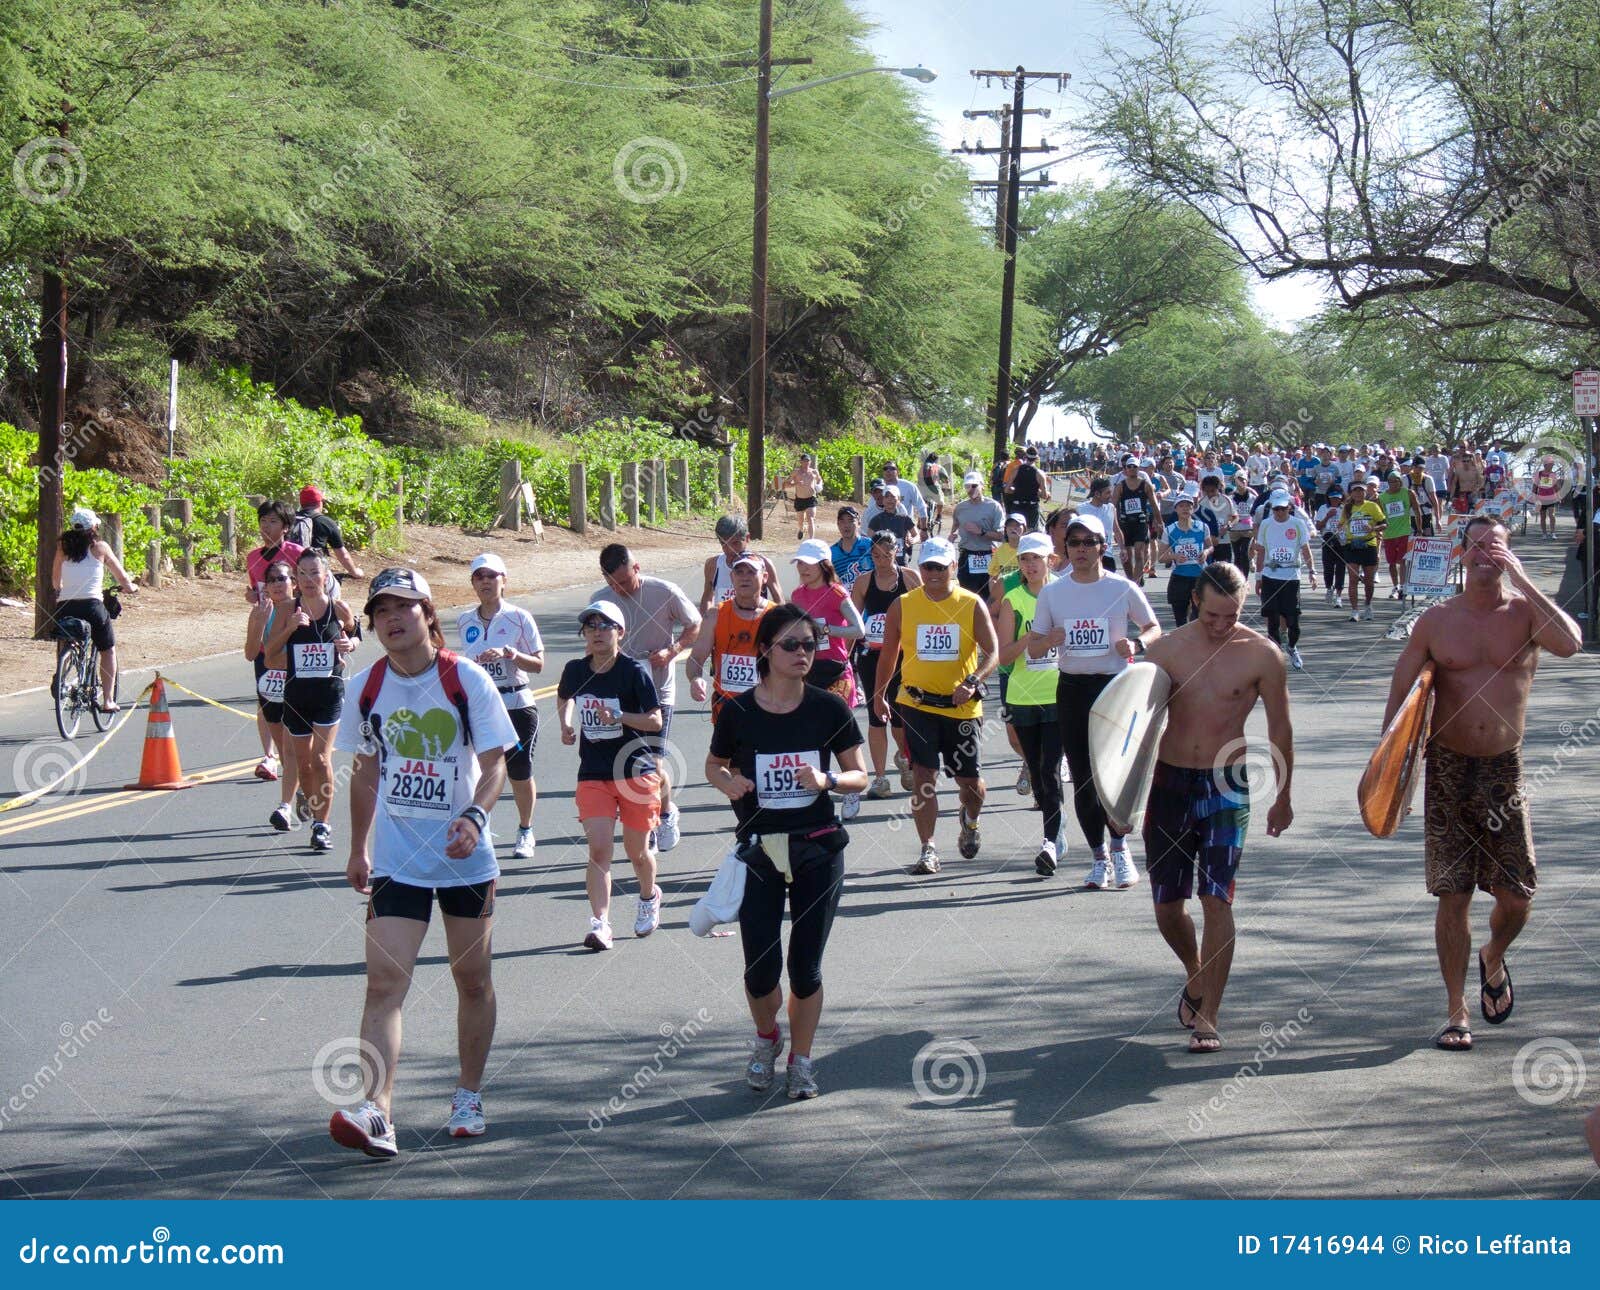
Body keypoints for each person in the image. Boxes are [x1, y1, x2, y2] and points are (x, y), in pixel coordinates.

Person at [327, 567, 518, 1157]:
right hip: (396, 861)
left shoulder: (467, 681)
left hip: (465, 859)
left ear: (427, 614)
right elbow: (363, 769)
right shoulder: (366, 686)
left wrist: (475, 817)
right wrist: (358, 846)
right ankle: (377, 1110)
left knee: (473, 980)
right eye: (380, 610)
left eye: (403, 608)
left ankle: (468, 1093)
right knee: (384, 984)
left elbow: (495, 764)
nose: (391, 619)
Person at [1383, 516, 1582, 1051]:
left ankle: (1492, 955)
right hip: (1447, 768)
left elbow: (1571, 643)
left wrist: (1524, 579)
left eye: (1495, 547)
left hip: (1503, 769)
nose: (1484, 556)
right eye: (1475, 547)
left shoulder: (1525, 615)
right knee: (1453, 894)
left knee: (1517, 897)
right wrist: (1388, 775)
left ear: (1508, 554)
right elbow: (1400, 699)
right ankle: (1456, 1010)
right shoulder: (1436, 621)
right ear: (1460, 553)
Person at [705, 603, 869, 1101]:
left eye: (810, 645)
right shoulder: (737, 711)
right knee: (759, 970)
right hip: (759, 849)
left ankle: (801, 1060)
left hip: (817, 846)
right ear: (765, 652)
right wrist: (728, 782)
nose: (803, 653)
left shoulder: (828, 707)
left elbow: (861, 775)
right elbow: (714, 765)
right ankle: (766, 1039)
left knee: (805, 967)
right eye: (791, 645)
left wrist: (829, 780)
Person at [1139, 564, 1295, 1054]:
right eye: (1211, 614)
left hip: (1227, 784)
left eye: (1231, 615)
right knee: (1167, 906)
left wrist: (1284, 796)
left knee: (1216, 898)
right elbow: (1127, 729)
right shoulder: (1164, 652)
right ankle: (1196, 971)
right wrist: (1115, 798)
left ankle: (1210, 1016)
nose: (1221, 624)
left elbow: (1280, 728)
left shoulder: (1262, 656)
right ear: (1195, 604)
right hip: (1170, 780)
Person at [1026, 513, 1161, 890]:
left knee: (1113, 775)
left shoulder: (1121, 588)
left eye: (1089, 542)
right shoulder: (1053, 593)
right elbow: (1033, 645)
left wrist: (1136, 644)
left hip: (1115, 689)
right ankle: (1098, 856)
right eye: (1074, 542)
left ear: (1103, 546)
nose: (1081, 549)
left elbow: (1153, 628)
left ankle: (1120, 848)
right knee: (1084, 779)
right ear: (1064, 548)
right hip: (1072, 689)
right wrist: (1048, 641)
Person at [873, 538, 999, 874]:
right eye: (928, 566)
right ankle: (928, 848)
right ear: (920, 568)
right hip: (916, 704)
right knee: (922, 777)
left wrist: (973, 681)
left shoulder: (971, 604)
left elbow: (993, 652)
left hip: (961, 708)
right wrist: (879, 694)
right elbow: (889, 653)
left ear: (953, 568)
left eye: (940, 567)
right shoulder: (903, 605)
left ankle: (970, 820)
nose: (933, 573)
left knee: (969, 785)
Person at [557, 600, 664, 951]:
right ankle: (601, 924)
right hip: (593, 772)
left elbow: (655, 721)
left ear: (620, 632)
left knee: (637, 852)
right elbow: (564, 697)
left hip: (635, 771)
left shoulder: (633, 672)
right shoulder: (575, 669)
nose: (597, 632)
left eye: (605, 626)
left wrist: (618, 717)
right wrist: (566, 723)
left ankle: (648, 895)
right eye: (591, 626)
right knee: (599, 850)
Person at [594, 544, 702, 852]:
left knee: (651, 767)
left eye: (625, 582)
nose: (620, 589)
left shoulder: (664, 591)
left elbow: (694, 625)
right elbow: (592, 647)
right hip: (621, 696)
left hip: (658, 691)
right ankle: (655, 814)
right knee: (630, 766)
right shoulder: (600, 603)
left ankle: (661, 818)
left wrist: (673, 651)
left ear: (636, 568)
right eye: (614, 584)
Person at [269, 548, 359, 852]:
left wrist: (350, 643)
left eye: (314, 573)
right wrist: (291, 628)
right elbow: (269, 655)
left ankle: (323, 826)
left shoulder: (339, 608)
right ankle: (307, 799)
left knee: (321, 758)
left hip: (329, 694)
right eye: (302, 573)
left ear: (325, 576)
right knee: (304, 763)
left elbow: (355, 634)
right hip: (296, 696)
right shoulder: (286, 610)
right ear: (296, 578)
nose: (308, 579)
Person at [457, 553, 544, 860]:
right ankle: (482, 826)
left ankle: (525, 829)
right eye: (479, 577)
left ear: (503, 580)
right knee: (481, 770)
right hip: (481, 705)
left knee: (518, 771)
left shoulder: (519, 617)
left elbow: (538, 664)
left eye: (492, 576)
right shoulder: (465, 620)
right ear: (473, 583)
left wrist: (510, 654)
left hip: (517, 702)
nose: (485, 582)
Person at [996, 533, 1065, 874]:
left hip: (1058, 693)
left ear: (1050, 560)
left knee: (1051, 770)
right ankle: (1057, 826)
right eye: (1024, 559)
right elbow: (1003, 656)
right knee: (1037, 773)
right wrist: (1033, 636)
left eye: (1037, 558)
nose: (1030, 565)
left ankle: (1050, 842)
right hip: (1022, 695)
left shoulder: (1065, 594)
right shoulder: (1013, 600)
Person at [852, 532, 920, 798]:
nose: (882, 561)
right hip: (872, 656)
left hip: (905, 656)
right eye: (876, 556)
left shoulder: (910, 578)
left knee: (901, 717)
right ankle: (880, 779)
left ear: (897, 551)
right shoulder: (863, 582)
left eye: (887, 555)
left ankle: (906, 758)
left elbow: (925, 611)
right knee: (876, 717)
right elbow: (854, 622)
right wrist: (845, 659)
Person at [50, 507, 137, 714]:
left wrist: (62, 589)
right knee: (108, 649)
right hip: (92, 606)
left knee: (67, 638)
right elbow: (122, 578)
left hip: (65, 605)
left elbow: (55, 580)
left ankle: (62, 673)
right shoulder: (100, 547)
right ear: (95, 527)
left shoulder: (63, 546)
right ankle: (107, 701)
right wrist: (131, 587)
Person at [245, 499, 307, 779]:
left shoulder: (298, 553)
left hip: (295, 635)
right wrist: (250, 597)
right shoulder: (252, 557)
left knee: (295, 697)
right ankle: (269, 757)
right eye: (263, 521)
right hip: (265, 634)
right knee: (265, 695)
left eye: (272, 521)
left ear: (285, 526)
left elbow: (315, 587)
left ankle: (298, 751)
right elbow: (255, 591)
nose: (266, 526)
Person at [245, 559, 299, 831]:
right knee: (284, 749)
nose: (278, 584)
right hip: (270, 683)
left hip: (301, 686)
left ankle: (286, 806)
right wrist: (258, 623)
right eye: (272, 579)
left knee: (295, 749)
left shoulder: (304, 609)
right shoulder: (261, 611)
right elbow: (250, 653)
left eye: (283, 578)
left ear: (294, 583)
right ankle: (298, 792)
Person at [688, 553, 773, 725]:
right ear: (732, 577)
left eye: (751, 572)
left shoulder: (776, 616)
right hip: (727, 707)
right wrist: (695, 679)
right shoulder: (715, 615)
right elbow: (696, 658)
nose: (744, 578)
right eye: (739, 572)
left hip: (767, 708)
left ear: (764, 577)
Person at [1250, 490, 1317, 669]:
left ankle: (1292, 647)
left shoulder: (1297, 524)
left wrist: (1312, 571)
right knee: (1272, 616)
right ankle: (1275, 652)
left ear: (1289, 507)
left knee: (1292, 619)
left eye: (1283, 509)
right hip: (1270, 576)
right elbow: (1261, 551)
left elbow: (1305, 548)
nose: (1279, 512)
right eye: (1276, 509)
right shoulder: (1265, 524)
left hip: (1291, 577)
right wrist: (1258, 577)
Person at [700, 515, 781, 614]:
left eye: (735, 543)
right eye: (724, 544)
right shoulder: (712, 565)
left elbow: (779, 601)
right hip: (723, 625)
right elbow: (707, 599)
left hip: (756, 625)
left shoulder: (764, 564)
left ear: (747, 538)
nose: (729, 549)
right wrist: (706, 623)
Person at [1157, 494, 1214, 627]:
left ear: (1193, 509)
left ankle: (1200, 644)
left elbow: (1210, 546)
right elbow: (1161, 557)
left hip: (1199, 576)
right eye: (1181, 506)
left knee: (1199, 616)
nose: (1185, 509)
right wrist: (1175, 556)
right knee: (1180, 619)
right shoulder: (1169, 530)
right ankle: (1184, 644)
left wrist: (1206, 552)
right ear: (1175, 509)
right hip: (1180, 577)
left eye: (1188, 506)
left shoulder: (1202, 527)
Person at [290, 486, 365, 581]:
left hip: (289, 569)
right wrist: (354, 572)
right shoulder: (326, 522)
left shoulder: (290, 519)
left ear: (302, 503)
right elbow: (342, 554)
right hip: (314, 571)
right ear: (319, 503)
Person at [949, 471, 1006, 595]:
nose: (970, 489)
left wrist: (981, 532)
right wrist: (951, 537)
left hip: (988, 555)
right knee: (967, 595)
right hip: (967, 555)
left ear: (982, 486)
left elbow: (1002, 536)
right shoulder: (960, 508)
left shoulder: (994, 507)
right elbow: (955, 525)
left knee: (989, 595)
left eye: (974, 486)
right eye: (967, 486)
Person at [1340, 481, 1386, 620]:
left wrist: (1373, 529)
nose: (1358, 493)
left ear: (1365, 493)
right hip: (1352, 546)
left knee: (1369, 581)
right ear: (1351, 493)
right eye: (1355, 491)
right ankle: (1354, 610)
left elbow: (1384, 524)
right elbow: (1341, 524)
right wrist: (1340, 529)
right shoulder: (1347, 508)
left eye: (1361, 491)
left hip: (1369, 545)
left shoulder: (1372, 506)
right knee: (1353, 579)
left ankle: (1368, 605)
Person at [1111, 456, 1157, 587]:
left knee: (1139, 552)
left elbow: (1154, 504)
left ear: (1138, 468)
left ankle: (1135, 582)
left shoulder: (1145, 484)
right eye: (1129, 467)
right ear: (1125, 469)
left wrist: (1159, 522)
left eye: (1134, 466)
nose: (1131, 469)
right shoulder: (1120, 486)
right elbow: (1112, 506)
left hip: (1141, 522)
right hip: (1125, 523)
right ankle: (1131, 580)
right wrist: (1112, 523)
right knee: (1126, 555)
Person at [1376, 471, 1423, 598]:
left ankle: (1402, 587)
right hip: (1389, 533)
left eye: (1396, 481)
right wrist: (1378, 531)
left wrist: (1419, 528)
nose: (1394, 484)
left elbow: (1417, 511)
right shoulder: (1382, 497)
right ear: (1388, 483)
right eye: (1391, 481)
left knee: (1402, 560)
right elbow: (1379, 517)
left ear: (1400, 482)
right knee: (1391, 562)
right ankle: (1395, 586)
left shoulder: (1408, 493)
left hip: (1404, 532)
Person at [867, 482, 918, 566]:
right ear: (883, 500)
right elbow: (869, 540)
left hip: (902, 561)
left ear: (898, 500)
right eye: (887, 496)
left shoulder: (904, 518)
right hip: (883, 561)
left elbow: (917, 535)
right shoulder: (876, 519)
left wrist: (912, 540)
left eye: (893, 497)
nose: (890, 499)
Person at [1314, 485, 1348, 605]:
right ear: (1328, 497)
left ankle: (1339, 594)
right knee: (1328, 567)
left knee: (1340, 567)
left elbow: (1348, 524)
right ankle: (1329, 588)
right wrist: (1328, 516)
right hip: (1327, 539)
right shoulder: (1323, 508)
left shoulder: (1345, 508)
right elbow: (1318, 526)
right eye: (1332, 498)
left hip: (1342, 540)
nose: (1335, 500)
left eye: (1337, 498)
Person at [829, 506, 874, 592]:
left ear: (859, 523)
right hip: (846, 601)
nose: (846, 525)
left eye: (851, 521)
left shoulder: (870, 545)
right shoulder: (831, 553)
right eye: (842, 521)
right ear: (838, 524)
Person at [880, 460, 929, 538]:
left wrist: (924, 529)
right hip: (883, 532)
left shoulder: (909, 486)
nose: (888, 470)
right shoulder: (879, 488)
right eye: (885, 468)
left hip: (905, 531)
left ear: (897, 471)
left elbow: (921, 506)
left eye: (892, 468)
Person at [1006, 446, 1051, 530]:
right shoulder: (1040, 474)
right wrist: (1041, 492)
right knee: (1030, 533)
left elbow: (1007, 490)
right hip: (1031, 508)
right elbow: (1044, 496)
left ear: (1025, 457)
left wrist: (1018, 490)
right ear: (1036, 458)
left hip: (1017, 506)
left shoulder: (1016, 470)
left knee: (1015, 531)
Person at [782, 453, 822, 542]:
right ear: (801, 462)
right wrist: (796, 483)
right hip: (800, 499)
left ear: (810, 462)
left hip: (811, 498)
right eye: (804, 461)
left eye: (808, 461)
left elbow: (820, 481)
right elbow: (785, 484)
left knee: (810, 518)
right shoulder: (796, 472)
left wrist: (819, 485)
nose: (806, 463)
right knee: (800, 521)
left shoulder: (814, 472)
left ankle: (811, 540)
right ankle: (801, 529)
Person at [919, 452, 948, 529]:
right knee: (940, 501)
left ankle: (919, 520)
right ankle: (939, 516)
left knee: (922, 504)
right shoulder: (938, 466)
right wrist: (946, 485)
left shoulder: (922, 466)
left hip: (921, 488)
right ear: (936, 460)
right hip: (933, 487)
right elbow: (945, 479)